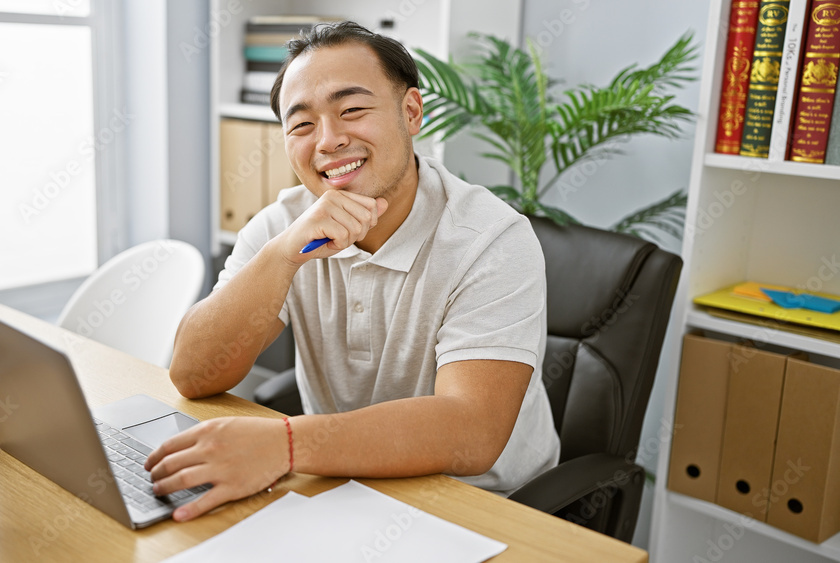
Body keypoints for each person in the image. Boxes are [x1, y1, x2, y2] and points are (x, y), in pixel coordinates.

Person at [145, 21, 560, 522]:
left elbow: (471, 431)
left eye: (352, 110)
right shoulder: (284, 225)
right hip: (345, 481)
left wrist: (286, 446)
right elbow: (194, 374)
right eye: (301, 125)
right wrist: (282, 257)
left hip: (482, 504)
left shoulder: (491, 239)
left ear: (411, 112)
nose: (329, 140)